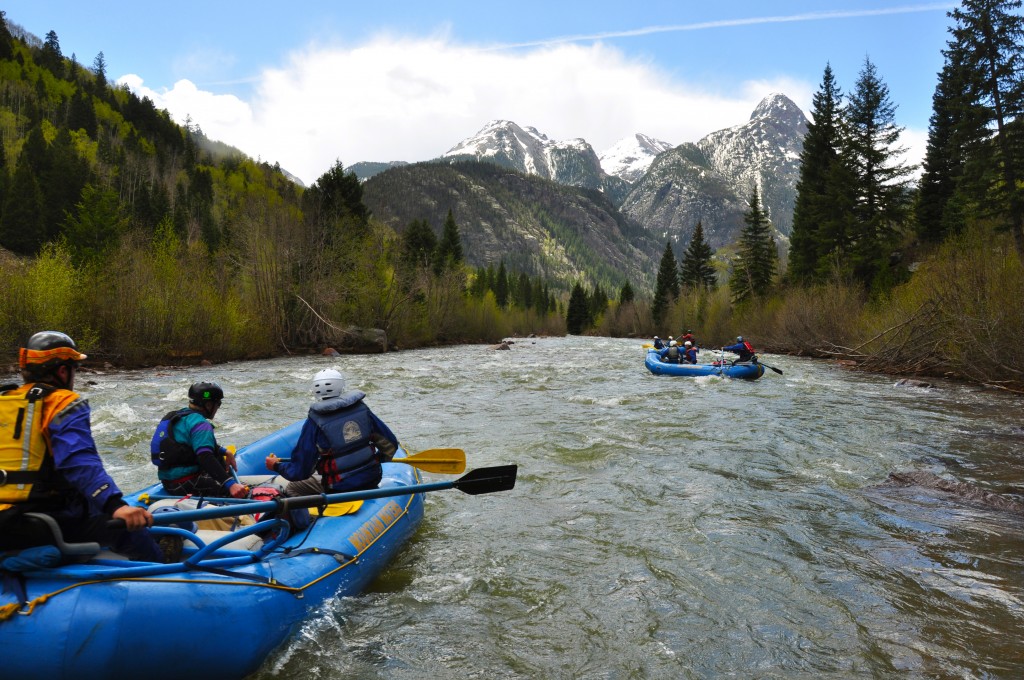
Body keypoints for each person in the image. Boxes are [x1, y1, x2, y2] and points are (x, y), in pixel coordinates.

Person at [0, 331, 159, 562]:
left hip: (5, 522)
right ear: (63, 371)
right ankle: (162, 572)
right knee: (125, 529)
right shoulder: (62, 402)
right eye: (75, 369)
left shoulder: (4, 400)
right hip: (38, 522)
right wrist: (115, 505)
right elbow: (79, 461)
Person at [265, 369, 398, 496]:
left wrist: (276, 466)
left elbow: (300, 472)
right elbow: (390, 445)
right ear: (341, 386)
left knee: (293, 489)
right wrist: (376, 460)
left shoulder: (315, 422)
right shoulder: (362, 410)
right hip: (372, 478)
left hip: (339, 488)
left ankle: (310, 519)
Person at [151, 381, 247, 499]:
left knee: (216, 460)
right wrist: (230, 484)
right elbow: (205, 456)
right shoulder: (201, 423)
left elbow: (187, 445)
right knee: (242, 494)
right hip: (186, 483)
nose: (217, 408)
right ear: (208, 405)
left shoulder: (180, 416)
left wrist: (224, 451)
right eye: (218, 404)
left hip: (168, 483)